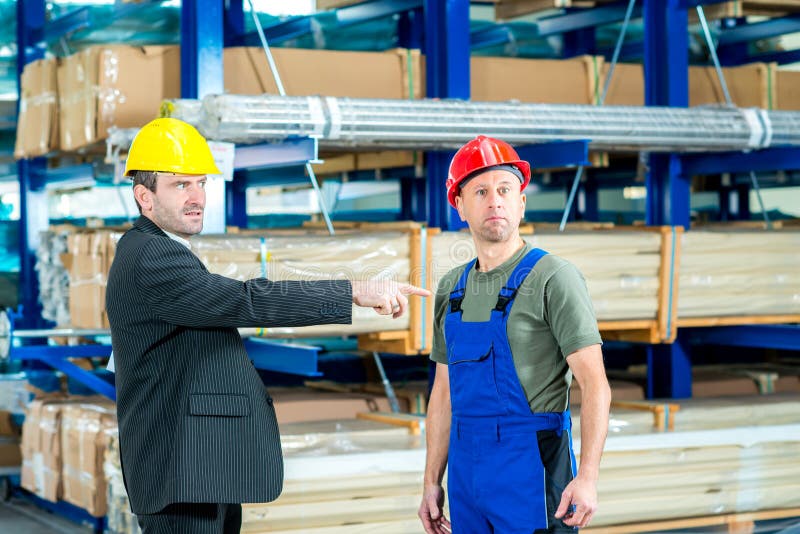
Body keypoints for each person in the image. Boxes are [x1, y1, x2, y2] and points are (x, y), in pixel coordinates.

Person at [106, 117, 430, 534]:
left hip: (199, 467)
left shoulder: (161, 250)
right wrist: (351, 291)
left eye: (201, 183)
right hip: (180, 472)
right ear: (144, 197)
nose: (197, 196)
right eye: (180, 185)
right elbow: (245, 300)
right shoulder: (152, 257)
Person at [418, 135, 611, 534]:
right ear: (459, 205)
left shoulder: (553, 278)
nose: (495, 201)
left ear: (521, 201)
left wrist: (588, 476)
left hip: (531, 466)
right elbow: (443, 391)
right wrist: (431, 480)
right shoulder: (453, 288)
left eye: (505, 189)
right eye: (481, 191)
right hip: (466, 472)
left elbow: (595, 384)